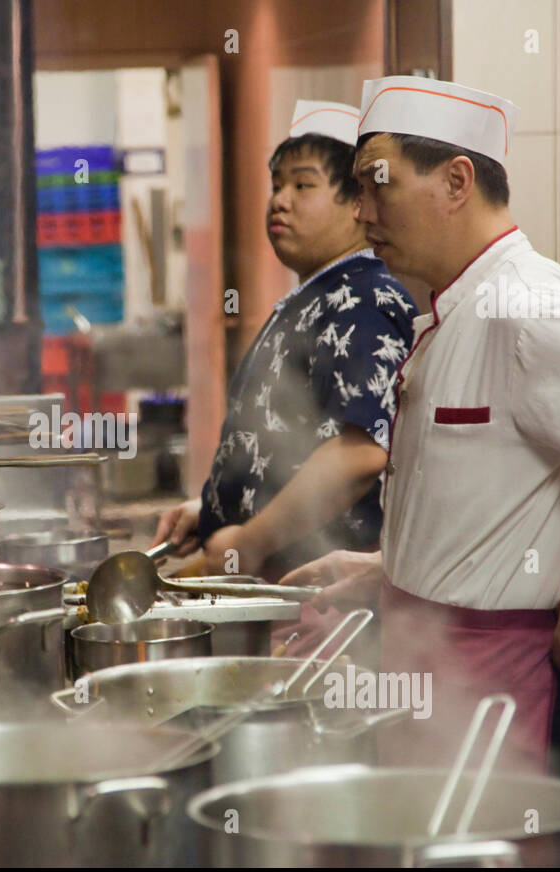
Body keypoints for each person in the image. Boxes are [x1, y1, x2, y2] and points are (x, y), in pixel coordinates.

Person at [281, 75, 560, 774]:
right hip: (432, 689)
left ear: (457, 181)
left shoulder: (524, 305)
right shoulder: (455, 308)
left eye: (376, 184)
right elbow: (481, 493)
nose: (361, 212)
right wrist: (387, 567)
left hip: (498, 703)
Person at [152, 101, 416, 638]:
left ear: (356, 205)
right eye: (277, 185)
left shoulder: (361, 300)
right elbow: (283, 443)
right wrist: (211, 509)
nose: (279, 201)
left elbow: (361, 453)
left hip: (324, 599)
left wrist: (251, 539)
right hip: (279, 593)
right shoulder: (318, 295)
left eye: (303, 186)